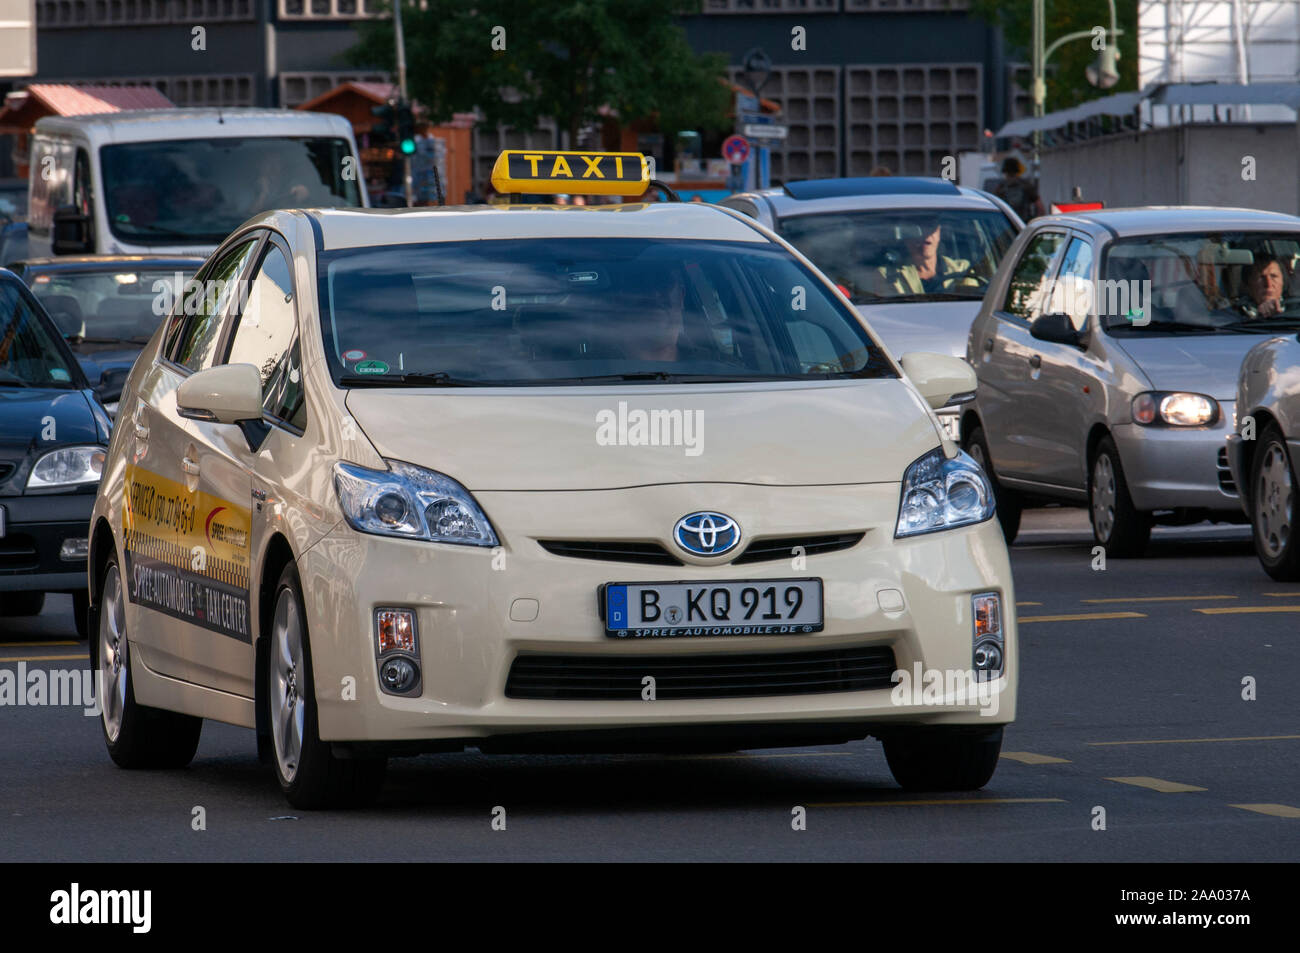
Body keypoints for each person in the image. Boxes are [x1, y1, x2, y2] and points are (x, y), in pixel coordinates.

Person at [870, 216, 979, 295]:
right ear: (906, 238)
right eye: (917, 230)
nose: (925, 235)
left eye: (930, 228)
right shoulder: (887, 275)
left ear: (939, 233)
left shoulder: (962, 269)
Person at [991, 156, 1045, 222]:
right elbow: (1040, 208)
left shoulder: (1001, 188)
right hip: (1024, 225)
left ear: (1005, 172)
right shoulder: (1026, 185)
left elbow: (993, 208)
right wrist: (1034, 222)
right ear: (1017, 171)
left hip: (1008, 225)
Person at [1236, 254, 1288, 319]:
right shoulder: (1233, 316)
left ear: (1283, 282)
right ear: (1247, 285)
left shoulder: (1295, 310)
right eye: (1261, 277)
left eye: (1274, 276)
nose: (1268, 284)